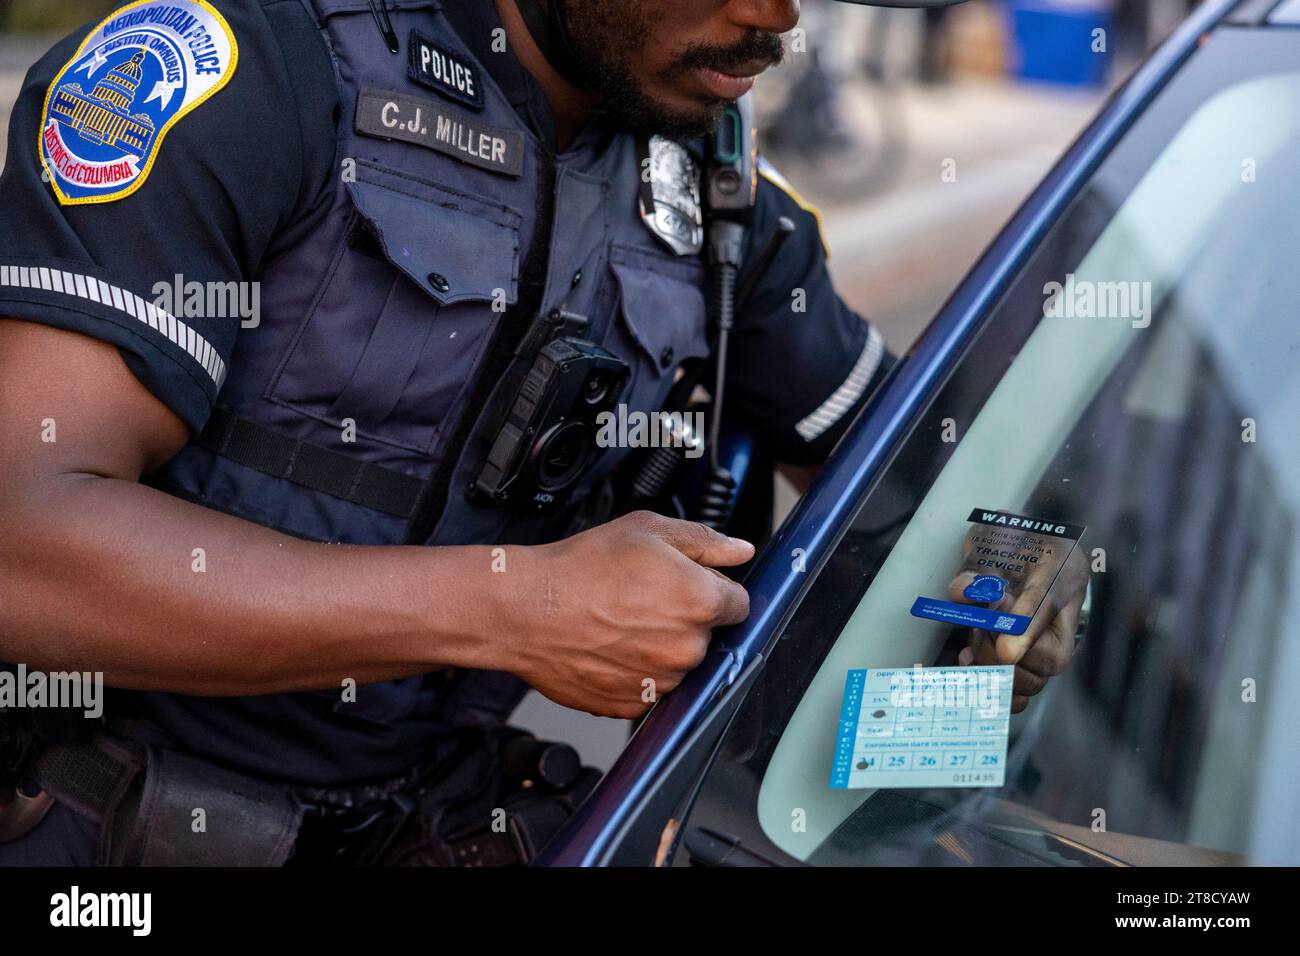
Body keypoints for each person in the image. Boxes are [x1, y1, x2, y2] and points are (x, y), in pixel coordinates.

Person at [0, 0, 1069, 867]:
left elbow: (935, 488)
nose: (772, 18)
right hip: (104, 826)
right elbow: (25, 549)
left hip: (453, 825)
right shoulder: (244, 76)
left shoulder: (727, 206)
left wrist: (1013, 579)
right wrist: (514, 605)